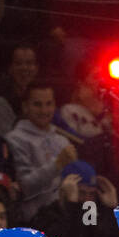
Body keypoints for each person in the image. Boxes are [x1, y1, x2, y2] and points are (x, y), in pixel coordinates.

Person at [7, 82, 77, 221]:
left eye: (49, 104)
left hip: (66, 218)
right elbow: (24, 188)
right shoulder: (14, 139)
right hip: (36, 221)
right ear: (25, 106)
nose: (44, 110)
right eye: (37, 104)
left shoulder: (62, 141)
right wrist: (57, 164)